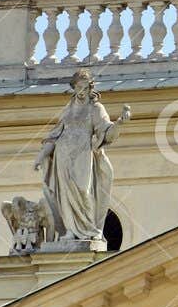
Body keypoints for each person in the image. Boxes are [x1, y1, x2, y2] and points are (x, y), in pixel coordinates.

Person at [34, 69, 130, 248]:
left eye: (85, 87)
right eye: (78, 87)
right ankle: (70, 230)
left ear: (90, 87)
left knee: (83, 191)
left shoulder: (95, 108)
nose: (82, 91)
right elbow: (53, 136)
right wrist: (41, 157)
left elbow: (106, 131)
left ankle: (88, 230)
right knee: (65, 193)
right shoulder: (68, 109)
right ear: (74, 87)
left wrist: (120, 123)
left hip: (83, 155)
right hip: (63, 157)